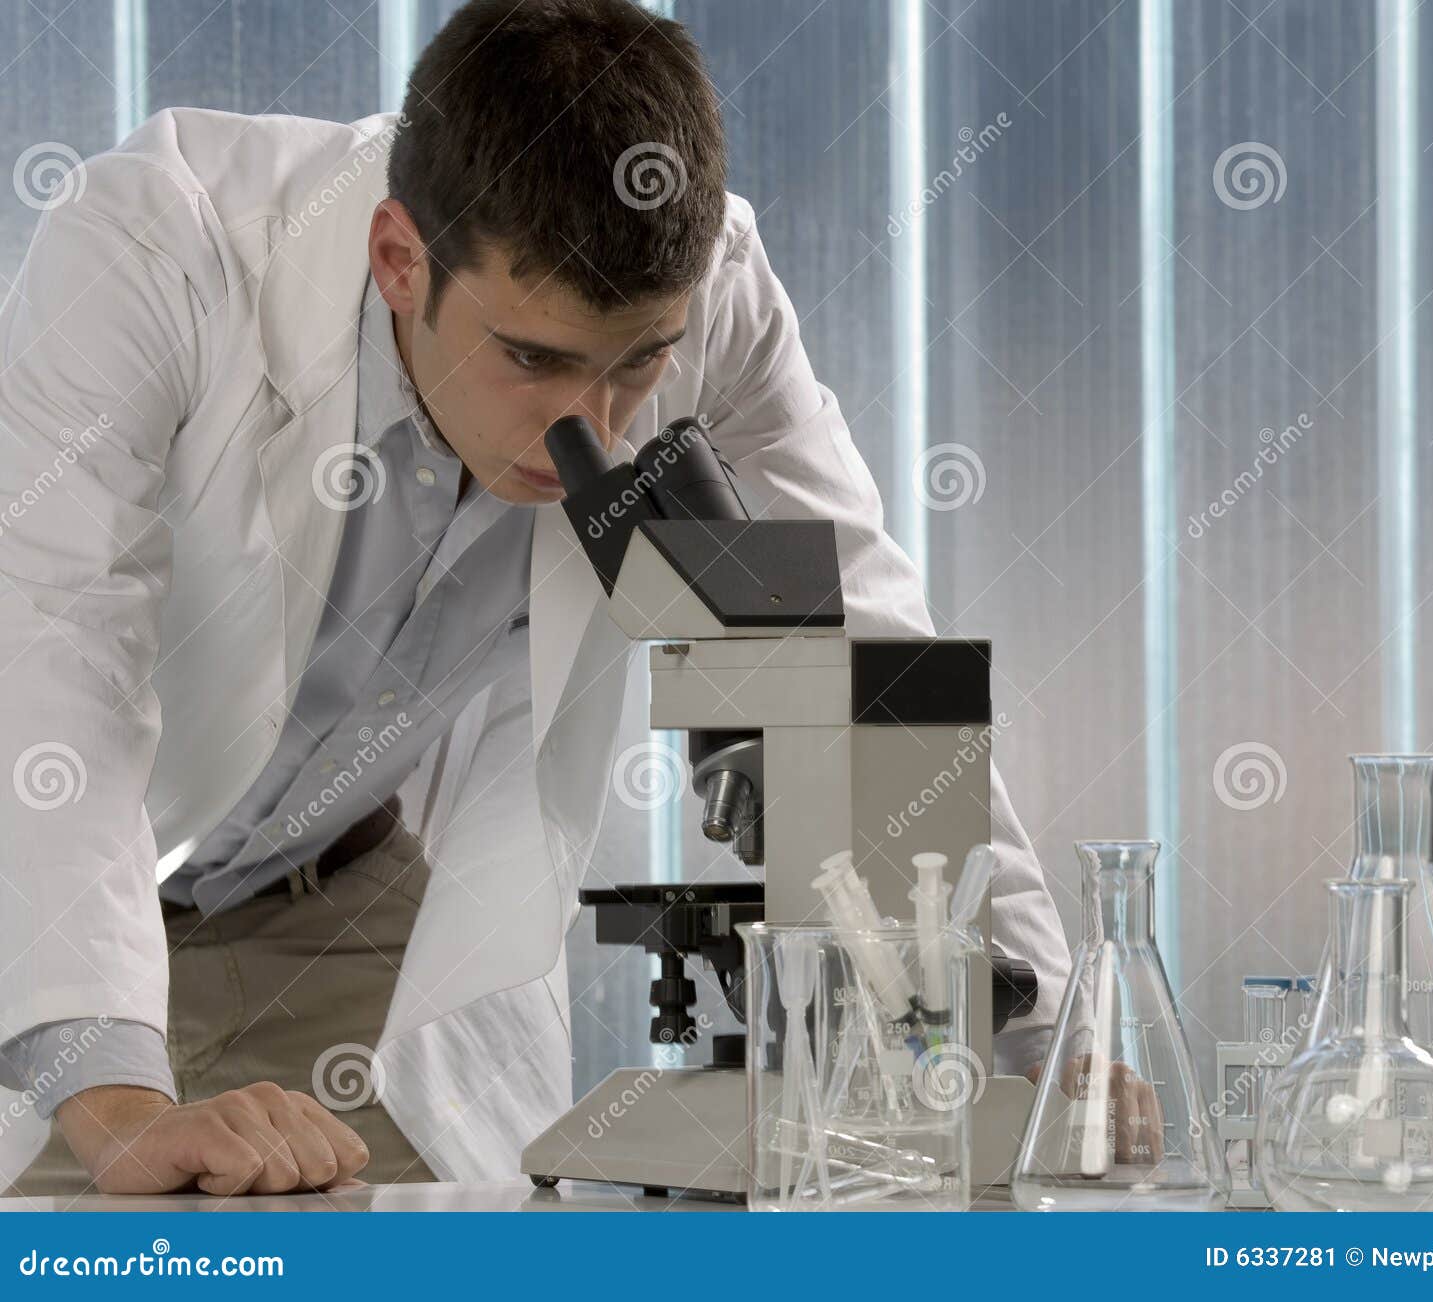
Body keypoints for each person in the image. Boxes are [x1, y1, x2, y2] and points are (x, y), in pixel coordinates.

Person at [0, 0, 1071, 1198]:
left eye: (637, 364)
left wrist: (1029, 1040)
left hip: (330, 907)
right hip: (49, 905)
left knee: (464, 1248)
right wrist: (115, 1096)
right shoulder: (162, 241)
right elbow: (51, 641)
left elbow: (851, 635)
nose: (592, 429)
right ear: (398, 256)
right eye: (533, 357)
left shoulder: (712, 301)